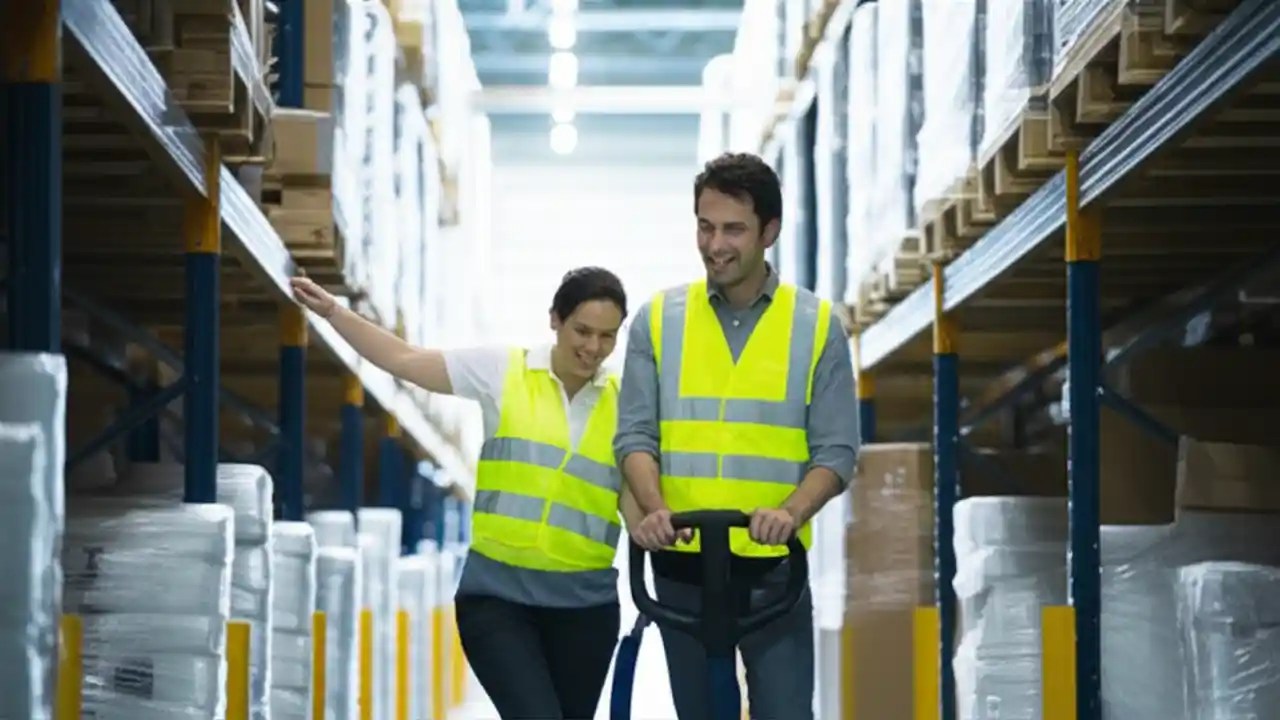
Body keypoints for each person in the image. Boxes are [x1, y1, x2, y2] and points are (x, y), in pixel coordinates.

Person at [291, 267, 641, 720]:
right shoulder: (506, 371)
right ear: (554, 319)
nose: (593, 347)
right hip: (499, 601)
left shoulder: (626, 400)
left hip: (585, 611)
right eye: (583, 331)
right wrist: (334, 312)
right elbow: (405, 360)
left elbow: (635, 505)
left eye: (608, 336)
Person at [614, 152, 858, 720]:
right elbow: (634, 436)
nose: (714, 243)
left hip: (772, 569)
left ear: (769, 231)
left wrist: (791, 512)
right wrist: (653, 508)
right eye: (705, 225)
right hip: (681, 568)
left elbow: (837, 451)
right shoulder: (657, 320)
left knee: (785, 711)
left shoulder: (818, 327)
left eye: (733, 229)